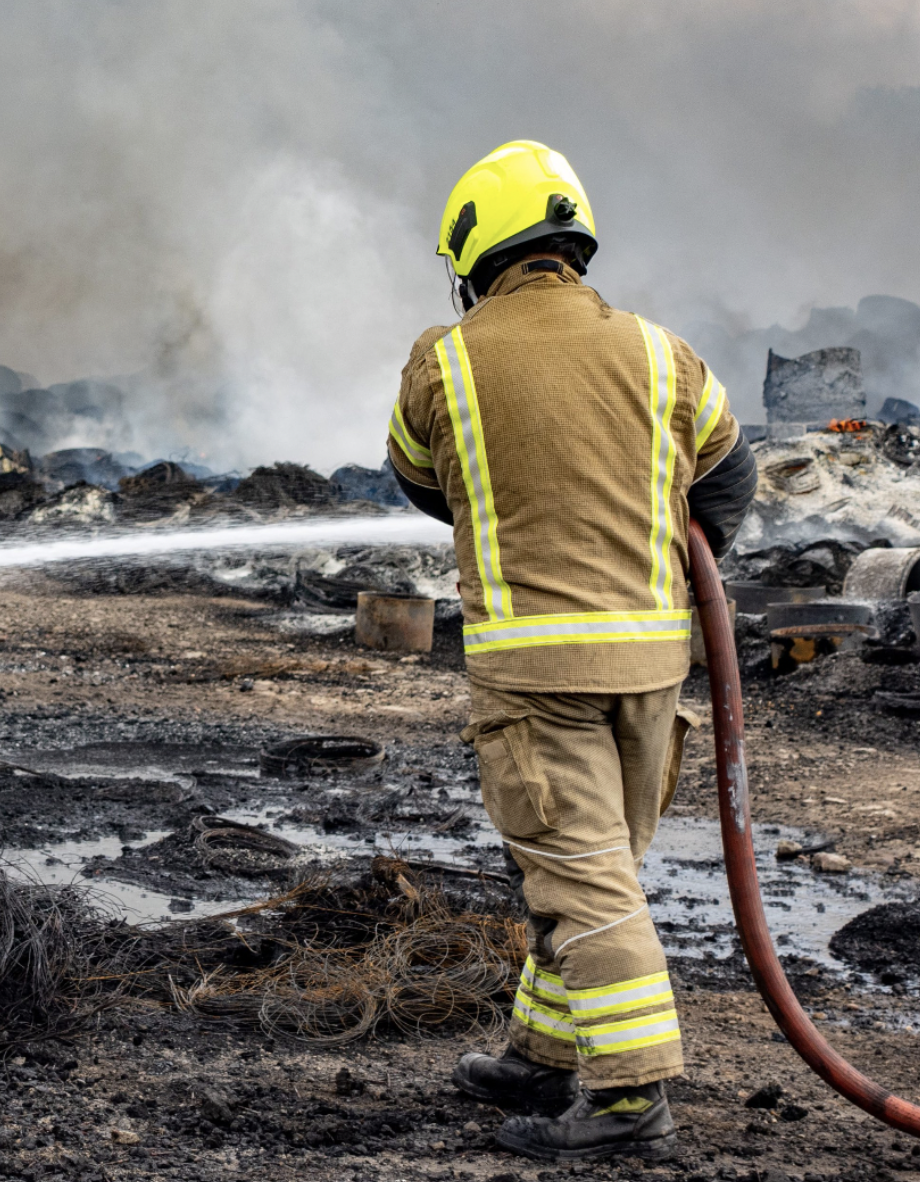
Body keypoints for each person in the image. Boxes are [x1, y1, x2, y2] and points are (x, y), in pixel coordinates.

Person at [384, 140, 757, 1162]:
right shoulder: (659, 351)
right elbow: (728, 480)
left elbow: (420, 479)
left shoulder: (447, 358)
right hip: (651, 670)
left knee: (581, 880)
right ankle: (546, 1052)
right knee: (595, 871)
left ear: (474, 247)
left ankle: (632, 1099)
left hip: (539, 680)